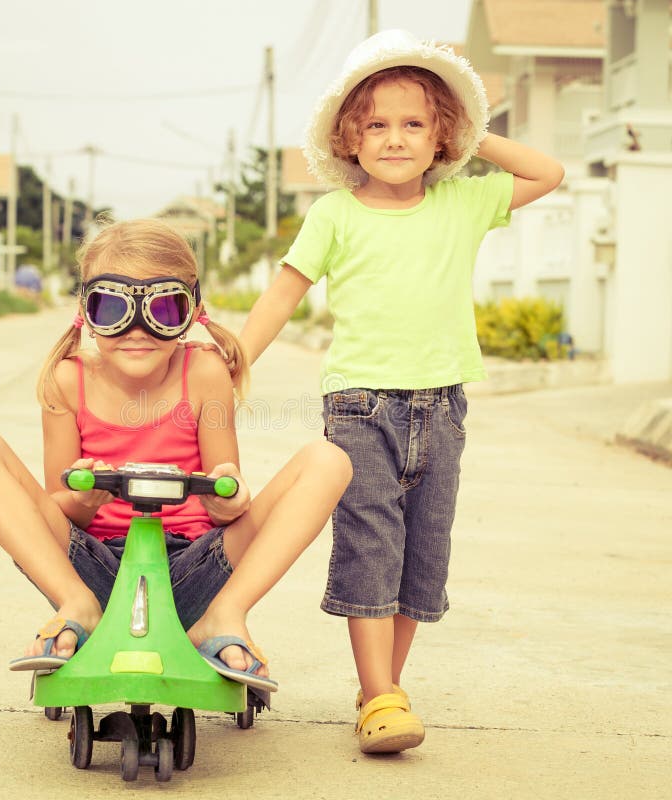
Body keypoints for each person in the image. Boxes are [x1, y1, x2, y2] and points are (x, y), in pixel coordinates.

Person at [239, 29, 564, 749]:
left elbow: (548, 172)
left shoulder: (463, 203)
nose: (394, 139)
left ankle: (381, 692)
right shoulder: (335, 214)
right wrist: (231, 362)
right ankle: (383, 693)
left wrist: (475, 138)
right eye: (376, 125)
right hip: (360, 406)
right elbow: (283, 294)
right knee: (370, 547)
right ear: (350, 139)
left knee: (423, 558)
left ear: (443, 137)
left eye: (415, 124)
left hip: (442, 408)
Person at [0, 217, 352, 690]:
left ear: (192, 310)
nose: (137, 330)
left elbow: (226, 493)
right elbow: (56, 510)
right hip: (94, 572)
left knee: (329, 461)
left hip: (196, 569)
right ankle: (74, 605)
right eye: (113, 309)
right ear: (85, 311)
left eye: (162, 309)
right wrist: (81, 501)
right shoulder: (68, 380)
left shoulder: (204, 372)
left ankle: (224, 616)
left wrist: (230, 500)